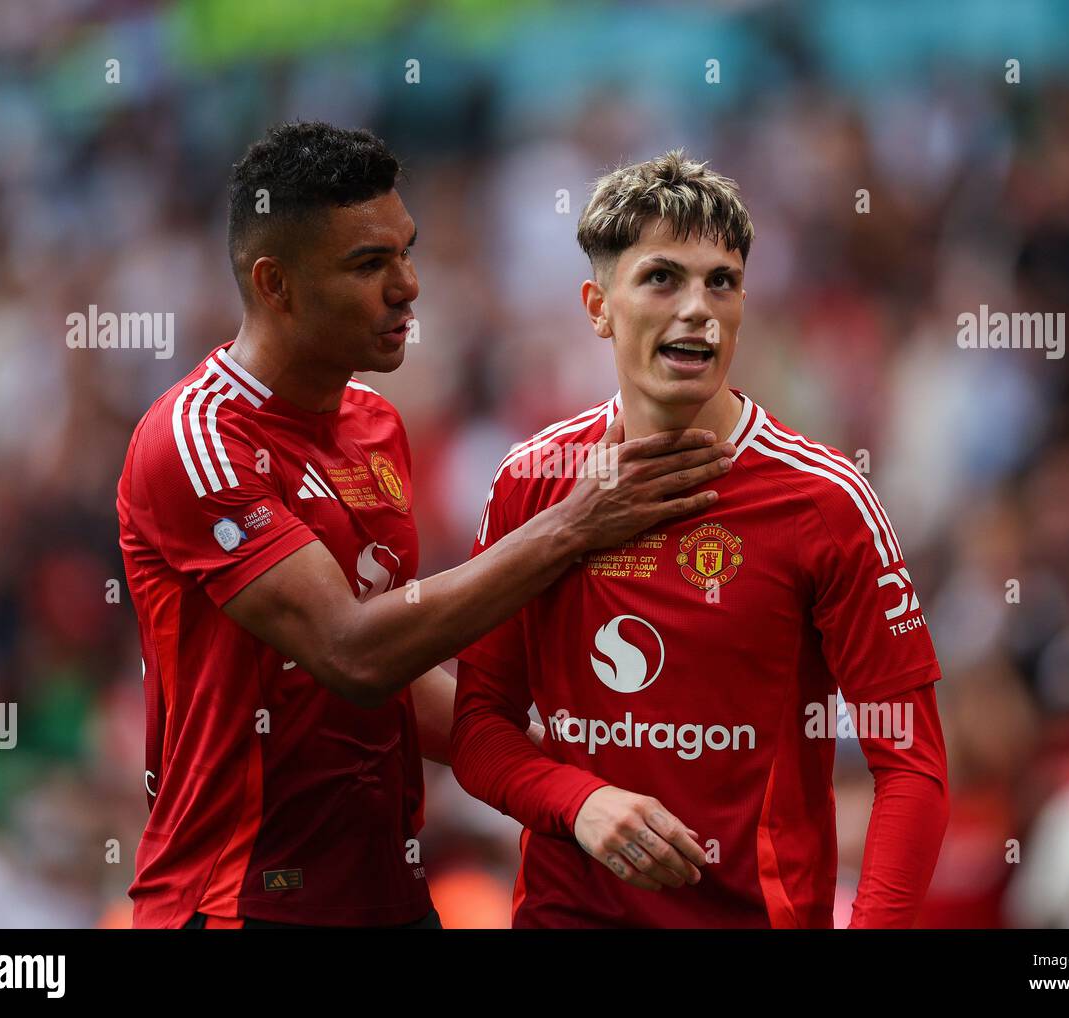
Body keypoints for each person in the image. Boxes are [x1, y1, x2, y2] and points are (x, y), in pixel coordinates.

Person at [115, 123, 734, 929]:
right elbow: (353, 652)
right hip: (239, 902)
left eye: (406, 252)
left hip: (389, 899)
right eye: (369, 265)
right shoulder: (196, 442)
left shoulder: (374, 425)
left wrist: (587, 767)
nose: (408, 285)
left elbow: (400, 674)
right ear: (277, 285)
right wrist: (570, 528)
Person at [451, 151, 950, 928]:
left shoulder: (824, 499)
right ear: (597, 305)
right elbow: (481, 729)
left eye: (722, 281)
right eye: (662, 278)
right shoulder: (531, 482)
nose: (698, 309)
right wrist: (579, 801)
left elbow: (911, 769)